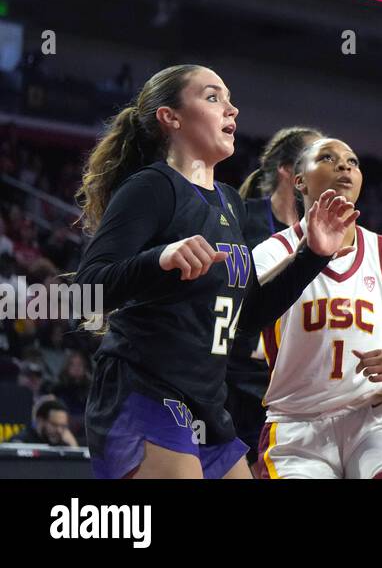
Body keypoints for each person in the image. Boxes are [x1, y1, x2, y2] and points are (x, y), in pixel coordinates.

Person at [74, 64, 358, 479]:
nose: (232, 110)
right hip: (143, 392)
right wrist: (159, 259)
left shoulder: (228, 201)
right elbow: (87, 293)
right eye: (212, 98)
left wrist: (312, 257)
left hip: (207, 405)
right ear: (170, 118)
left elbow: (247, 318)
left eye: (229, 99)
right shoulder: (152, 187)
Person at [250, 137, 382, 479]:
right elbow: (245, 319)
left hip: (372, 418)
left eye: (353, 161)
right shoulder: (270, 253)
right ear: (299, 180)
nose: (345, 166)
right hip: (296, 423)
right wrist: (308, 256)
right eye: (327, 157)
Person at [226, 126, 323, 460]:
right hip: (235, 375)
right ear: (287, 170)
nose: (327, 167)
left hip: (294, 381)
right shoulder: (240, 215)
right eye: (317, 158)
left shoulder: (332, 234)